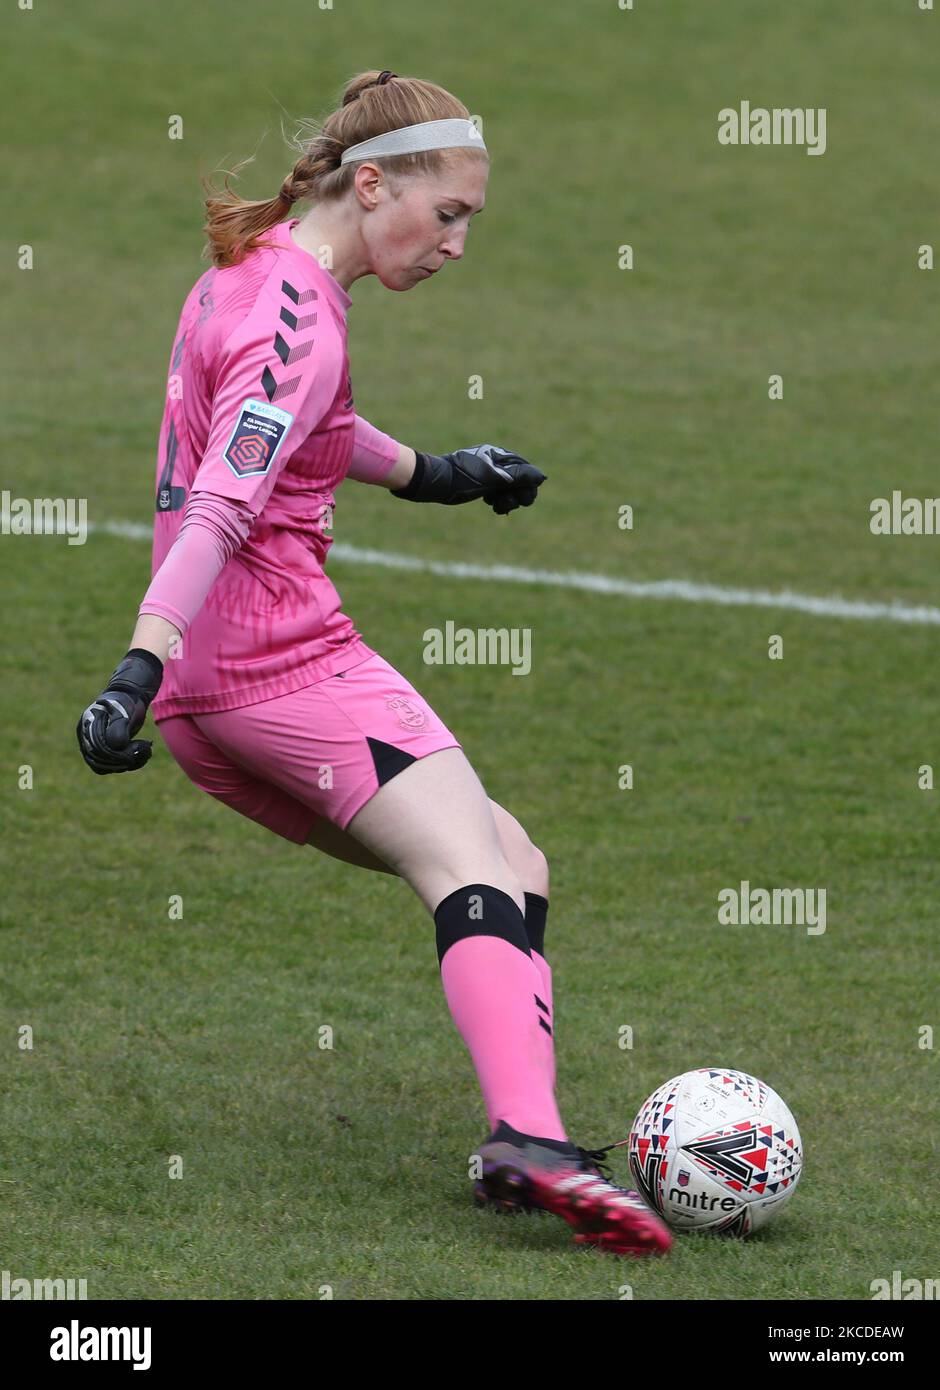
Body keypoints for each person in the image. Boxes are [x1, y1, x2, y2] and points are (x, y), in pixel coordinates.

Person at [76, 69, 671, 1259]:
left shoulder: (252, 276)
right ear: (372, 181)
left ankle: (521, 1139)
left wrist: (438, 472)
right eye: (448, 216)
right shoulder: (296, 315)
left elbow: (310, 428)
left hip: (219, 697)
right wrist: (137, 663)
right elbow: (222, 503)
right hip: (281, 667)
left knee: (512, 858)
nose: (457, 244)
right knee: (469, 866)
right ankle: (528, 1142)